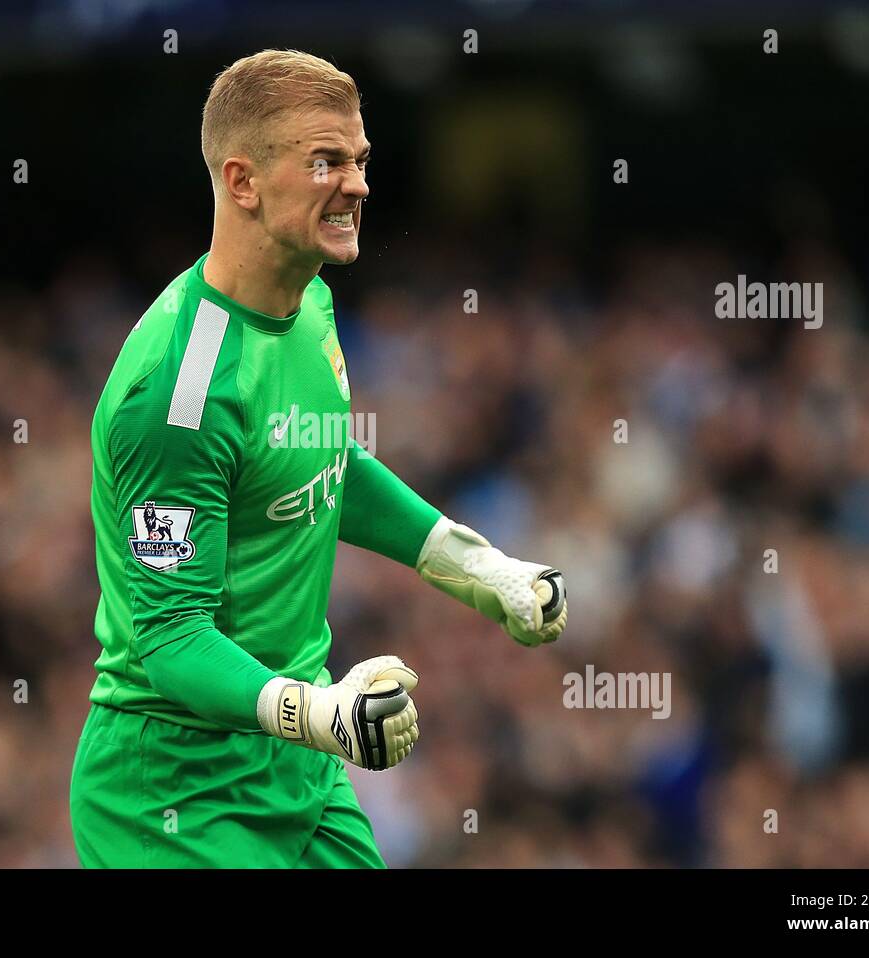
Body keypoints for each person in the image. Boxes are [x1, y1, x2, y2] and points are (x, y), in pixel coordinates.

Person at [69, 49, 569, 868]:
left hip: (297, 770)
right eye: (326, 163)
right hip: (174, 795)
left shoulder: (309, 305)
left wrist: (479, 568)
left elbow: (322, 463)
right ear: (243, 182)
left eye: (361, 161)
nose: (359, 185)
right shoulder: (180, 393)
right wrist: (325, 714)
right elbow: (169, 637)